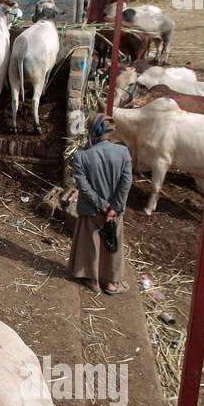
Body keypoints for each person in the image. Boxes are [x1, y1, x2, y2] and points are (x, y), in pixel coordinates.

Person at [70, 116, 133, 295]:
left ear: (91, 131)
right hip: (114, 211)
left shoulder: (81, 156)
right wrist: (115, 207)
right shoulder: (123, 153)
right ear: (111, 131)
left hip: (91, 209)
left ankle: (93, 280)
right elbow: (126, 182)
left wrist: (101, 205)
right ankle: (112, 283)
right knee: (113, 241)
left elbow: (83, 187)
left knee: (90, 242)